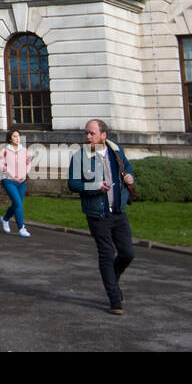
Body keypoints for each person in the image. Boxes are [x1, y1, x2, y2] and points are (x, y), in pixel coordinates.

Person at [68, 119, 136, 315]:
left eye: (92, 133)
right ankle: (115, 298)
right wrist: (95, 186)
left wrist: (129, 177)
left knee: (127, 253)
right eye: (87, 133)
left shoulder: (116, 151)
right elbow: (72, 184)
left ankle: (112, 281)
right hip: (97, 214)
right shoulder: (80, 156)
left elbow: (128, 169)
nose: (88, 137)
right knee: (106, 254)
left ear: (103, 135)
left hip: (119, 212)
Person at [0, 128, 31, 237]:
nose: (17, 138)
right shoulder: (5, 150)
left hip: (21, 182)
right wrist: (8, 170)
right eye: (15, 136)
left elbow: (29, 163)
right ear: (10, 138)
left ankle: (5, 219)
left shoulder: (24, 150)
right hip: (9, 181)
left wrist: (25, 171)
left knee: (17, 204)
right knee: (18, 204)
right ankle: (21, 228)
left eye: (18, 136)